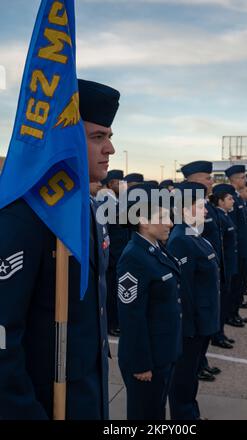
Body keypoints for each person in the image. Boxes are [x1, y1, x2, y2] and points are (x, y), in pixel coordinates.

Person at [0, 79, 120, 419]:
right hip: (44, 404)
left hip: (85, 397)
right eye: (98, 137)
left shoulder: (90, 209)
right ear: (62, 141)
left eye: (110, 137)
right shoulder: (23, 217)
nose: (109, 149)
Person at [117, 183, 182, 420]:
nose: (170, 223)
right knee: (145, 415)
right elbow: (131, 317)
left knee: (156, 411)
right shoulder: (134, 258)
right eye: (164, 217)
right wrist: (140, 363)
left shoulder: (156, 249)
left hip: (163, 352)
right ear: (144, 221)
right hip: (147, 359)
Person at [167, 181, 220, 420]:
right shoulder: (180, 239)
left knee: (191, 375)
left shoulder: (194, 234)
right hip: (192, 326)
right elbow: (182, 291)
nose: (206, 210)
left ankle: (191, 415)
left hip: (203, 321)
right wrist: (187, 328)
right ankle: (185, 419)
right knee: (184, 379)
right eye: (201, 205)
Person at [180, 160, 222, 381]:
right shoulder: (182, 235)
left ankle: (200, 362)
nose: (211, 181)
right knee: (186, 371)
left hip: (207, 279)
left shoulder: (194, 226)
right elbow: (185, 287)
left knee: (194, 358)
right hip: (194, 314)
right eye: (207, 177)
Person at [209, 184, 238, 348]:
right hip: (223, 266)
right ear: (220, 201)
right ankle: (217, 335)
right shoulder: (219, 217)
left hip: (229, 266)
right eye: (229, 198)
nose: (232, 200)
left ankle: (220, 332)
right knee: (220, 303)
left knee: (224, 302)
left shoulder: (225, 215)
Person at [102, 170, 130, 337]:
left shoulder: (117, 201)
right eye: (119, 182)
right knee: (112, 293)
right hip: (113, 258)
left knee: (117, 292)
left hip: (120, 255)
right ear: (111, 183)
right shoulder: (107, 201)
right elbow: (107, 232)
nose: (122, 185)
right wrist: (110, 257)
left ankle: (115, 321)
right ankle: (111, 324)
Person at [225, 165, 247, 328]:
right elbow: (232, 227)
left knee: (239, 283)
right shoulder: (230, 197)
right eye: (242, 177)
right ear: (234, 179)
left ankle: (235, 313)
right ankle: (230, 315)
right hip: (236, 249)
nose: (245, 180)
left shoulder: (238, 197)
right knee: (234, 285)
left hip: (243, 248)